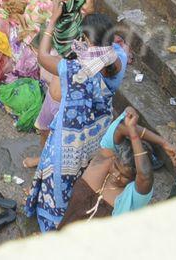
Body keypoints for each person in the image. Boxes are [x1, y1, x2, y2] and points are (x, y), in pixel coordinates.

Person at [25, 13, 128, 231]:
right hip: (97, 130)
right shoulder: (119, 57)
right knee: (84, 172)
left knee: (60, 176)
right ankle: (77, 207)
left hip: (70, 138)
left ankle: (55, 219)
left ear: (87, 40)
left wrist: (51, 23)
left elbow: (42, 56)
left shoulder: (74, 68)